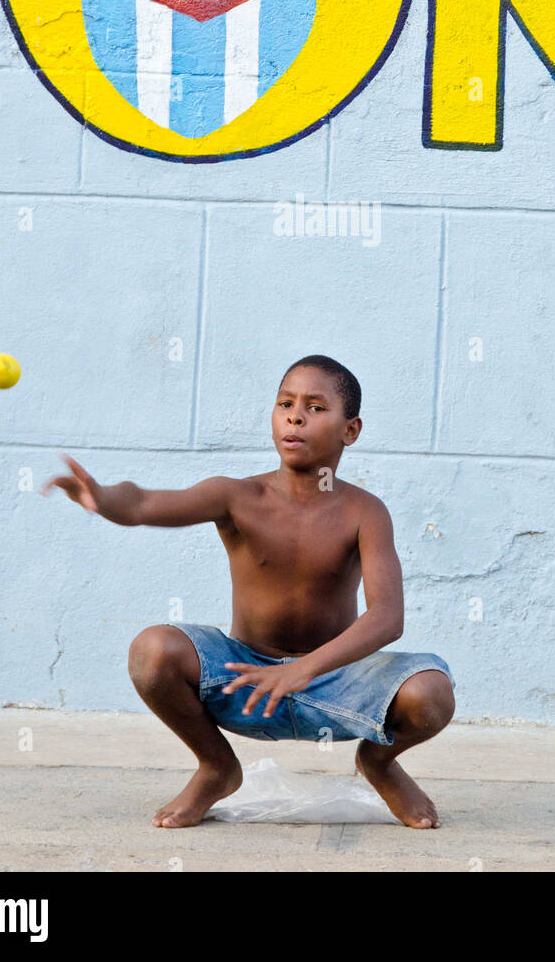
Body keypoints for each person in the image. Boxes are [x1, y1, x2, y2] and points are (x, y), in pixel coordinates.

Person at [40, 354, 456, 828]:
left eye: (315, 407)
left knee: (431, 691)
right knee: (152, 650)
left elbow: (387, 618)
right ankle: (216, 766)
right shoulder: (237, 496)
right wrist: (103, 498)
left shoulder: (365, 512)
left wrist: (303, 669)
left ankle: (378, 762)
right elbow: (143, 503)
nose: (295, 417)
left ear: (351, 430)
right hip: (244, 677)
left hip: (334, 682)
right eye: (285, 404)